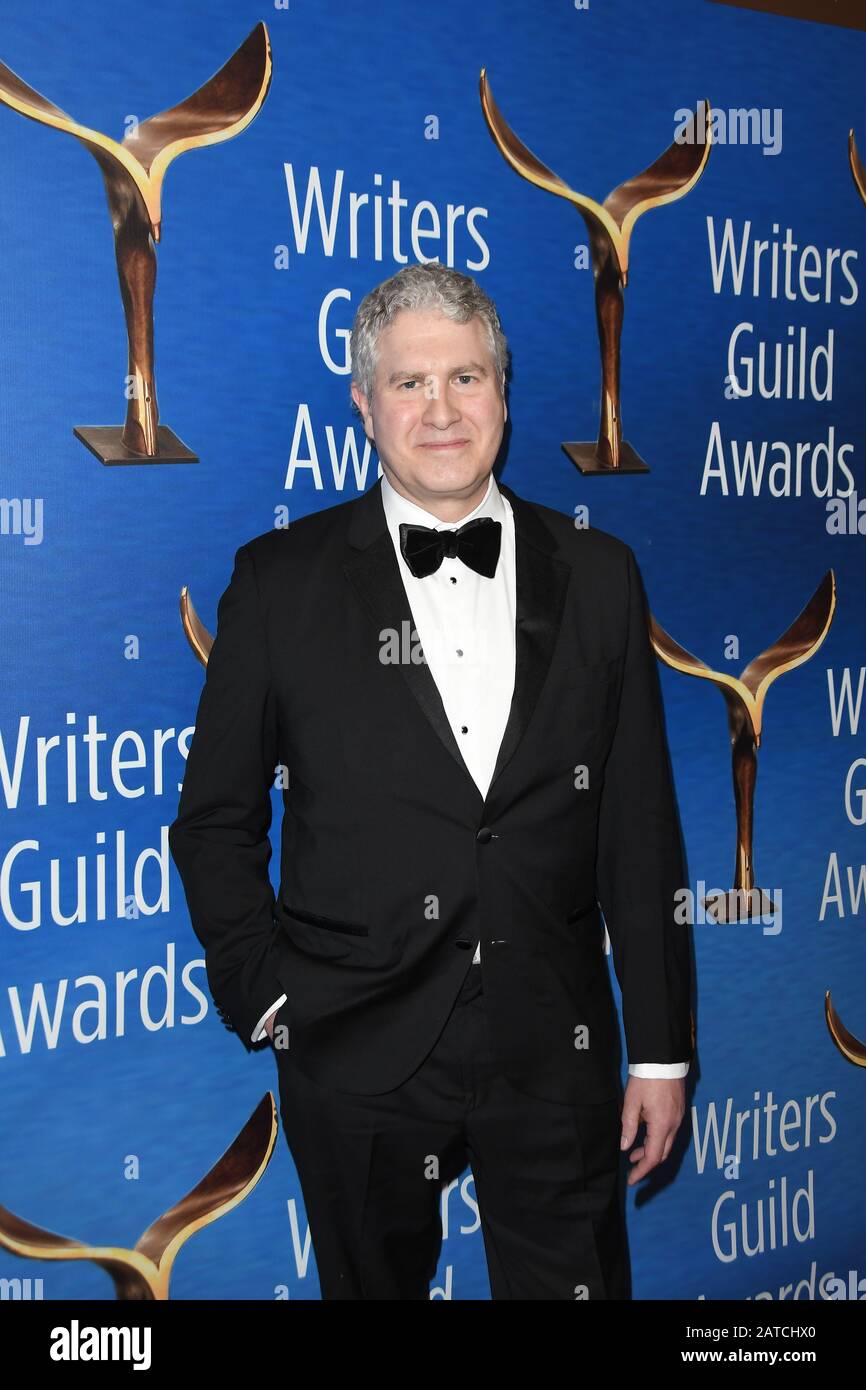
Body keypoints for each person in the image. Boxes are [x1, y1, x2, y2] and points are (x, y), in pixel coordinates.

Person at [168, 260, 693, 1300]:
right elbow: (216, 819)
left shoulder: (598, 573)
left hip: (556, 1040)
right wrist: (269, 994)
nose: (442, 410)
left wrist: (661, 1052)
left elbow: (638, 826)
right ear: (363, 404)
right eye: (410, 383)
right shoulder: (278, 583)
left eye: (466, 377)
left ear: (503, 389)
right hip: (354, 1045)